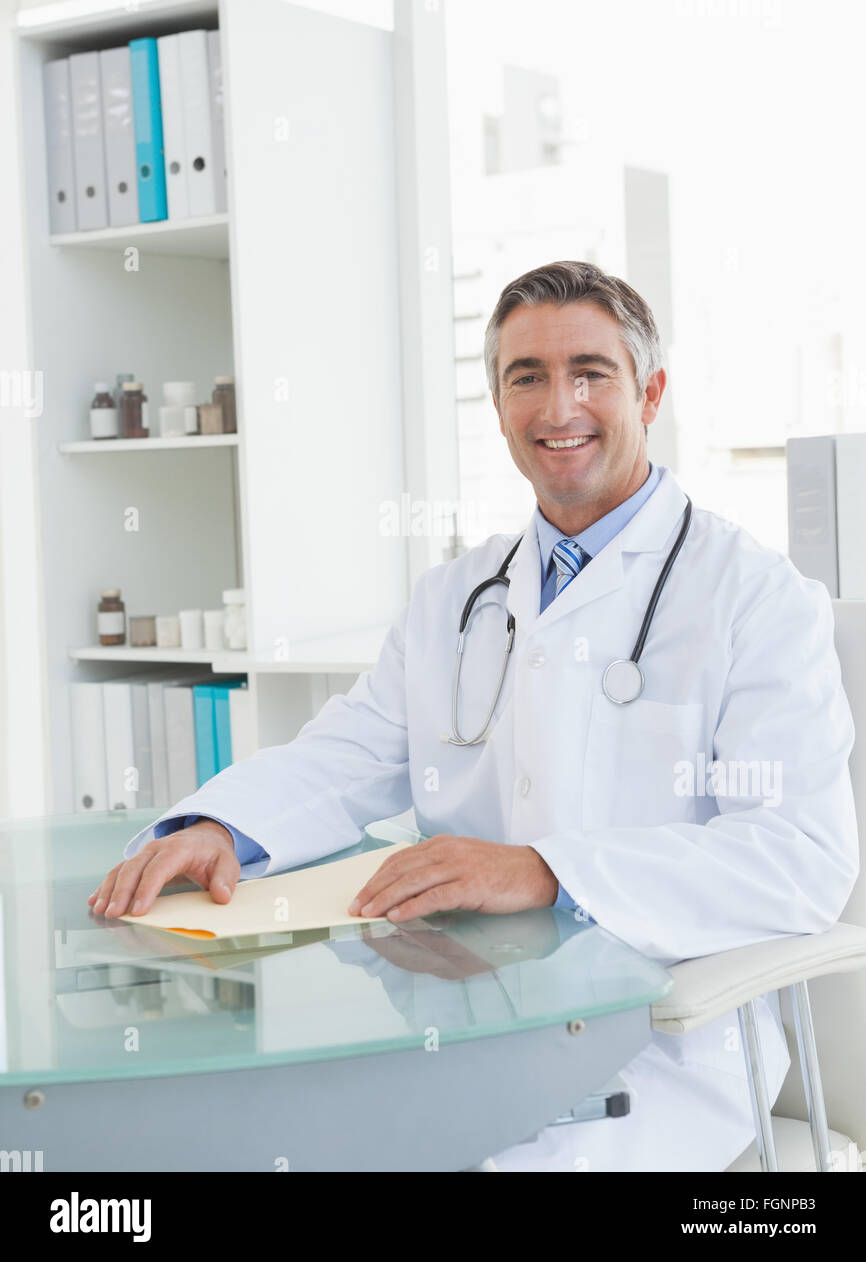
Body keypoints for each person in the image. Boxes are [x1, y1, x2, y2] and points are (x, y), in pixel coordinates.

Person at [90, 260, 858, 1171]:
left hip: (660, 1048)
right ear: (497, 407)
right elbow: (347, 754)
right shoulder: (457, 597)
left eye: (591, 372)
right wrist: (220, 823)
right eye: (524, 377)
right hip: (458, 1024)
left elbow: (800, 858)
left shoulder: (756, 598)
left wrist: (544, 871)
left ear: (650, 392)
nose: (556, 406)